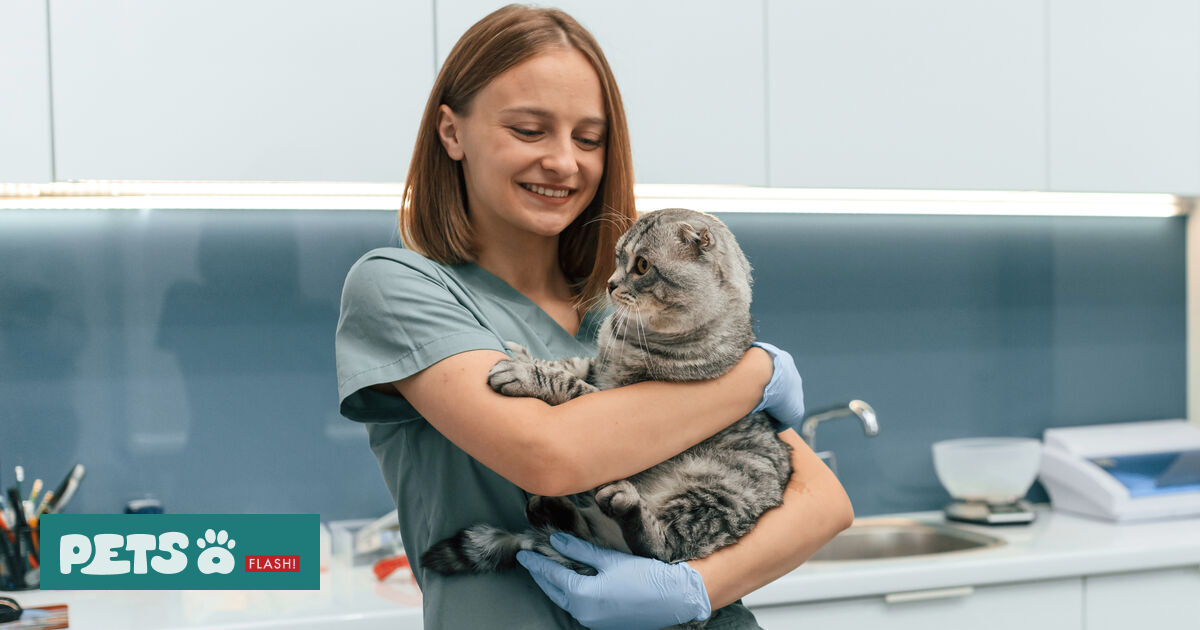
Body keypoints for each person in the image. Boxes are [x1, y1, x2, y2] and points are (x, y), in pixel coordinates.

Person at [334, 5, 853, 629]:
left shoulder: (636, 306)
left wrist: (693, 587)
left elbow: (824, 501)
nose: (564, 162)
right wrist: (755, 375)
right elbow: (550, 454)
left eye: (588, 139)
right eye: (529, 130)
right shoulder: (400, 286)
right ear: (452, 132)